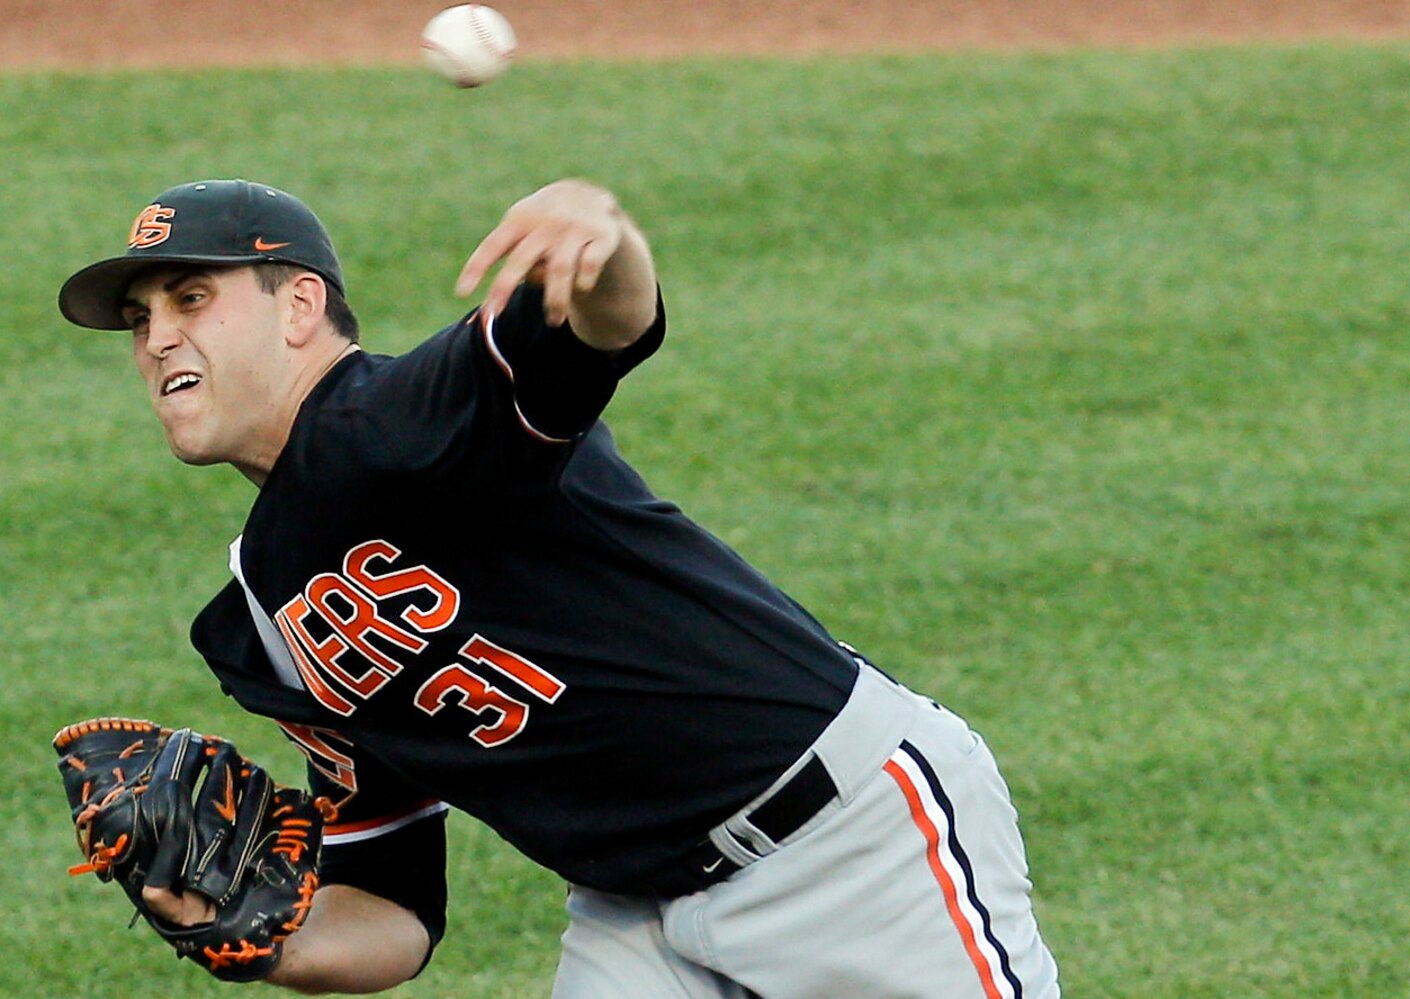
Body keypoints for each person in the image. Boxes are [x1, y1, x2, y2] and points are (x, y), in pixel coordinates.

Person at [57, 177, 1061, 998]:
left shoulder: (408, 416)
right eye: (141, 319)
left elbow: (603, 328)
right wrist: (251, 938)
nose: (157, 338)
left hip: (848, 842)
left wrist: (602, 231)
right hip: (636, 920)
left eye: (192, 298)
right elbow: (392, 910)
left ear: (300, 307)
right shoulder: (260, 620)